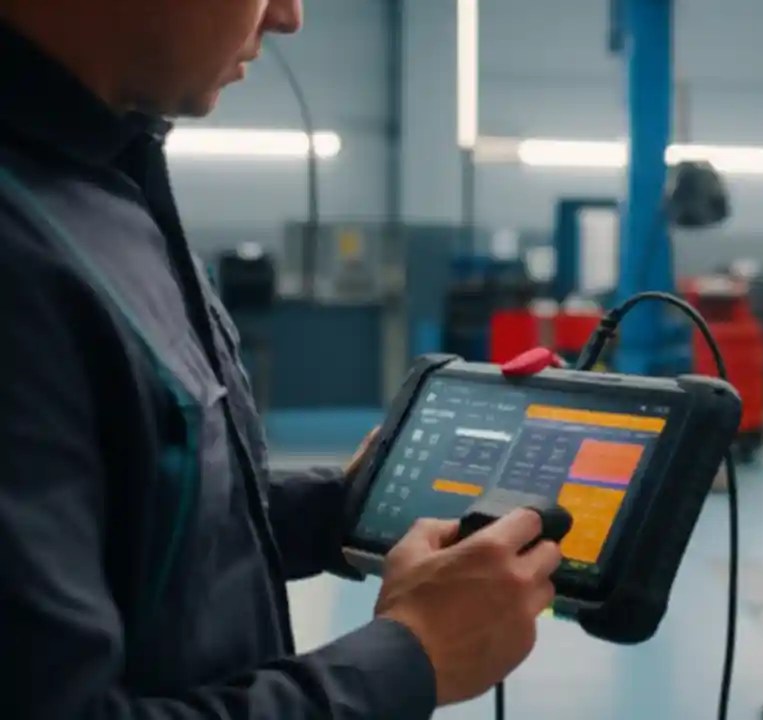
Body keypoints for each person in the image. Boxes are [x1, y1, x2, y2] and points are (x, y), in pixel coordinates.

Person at [0, 1, 561, 717]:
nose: (289, 17)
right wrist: (411, 656)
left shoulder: (107, 181)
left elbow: (133, 516)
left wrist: (343, 508)